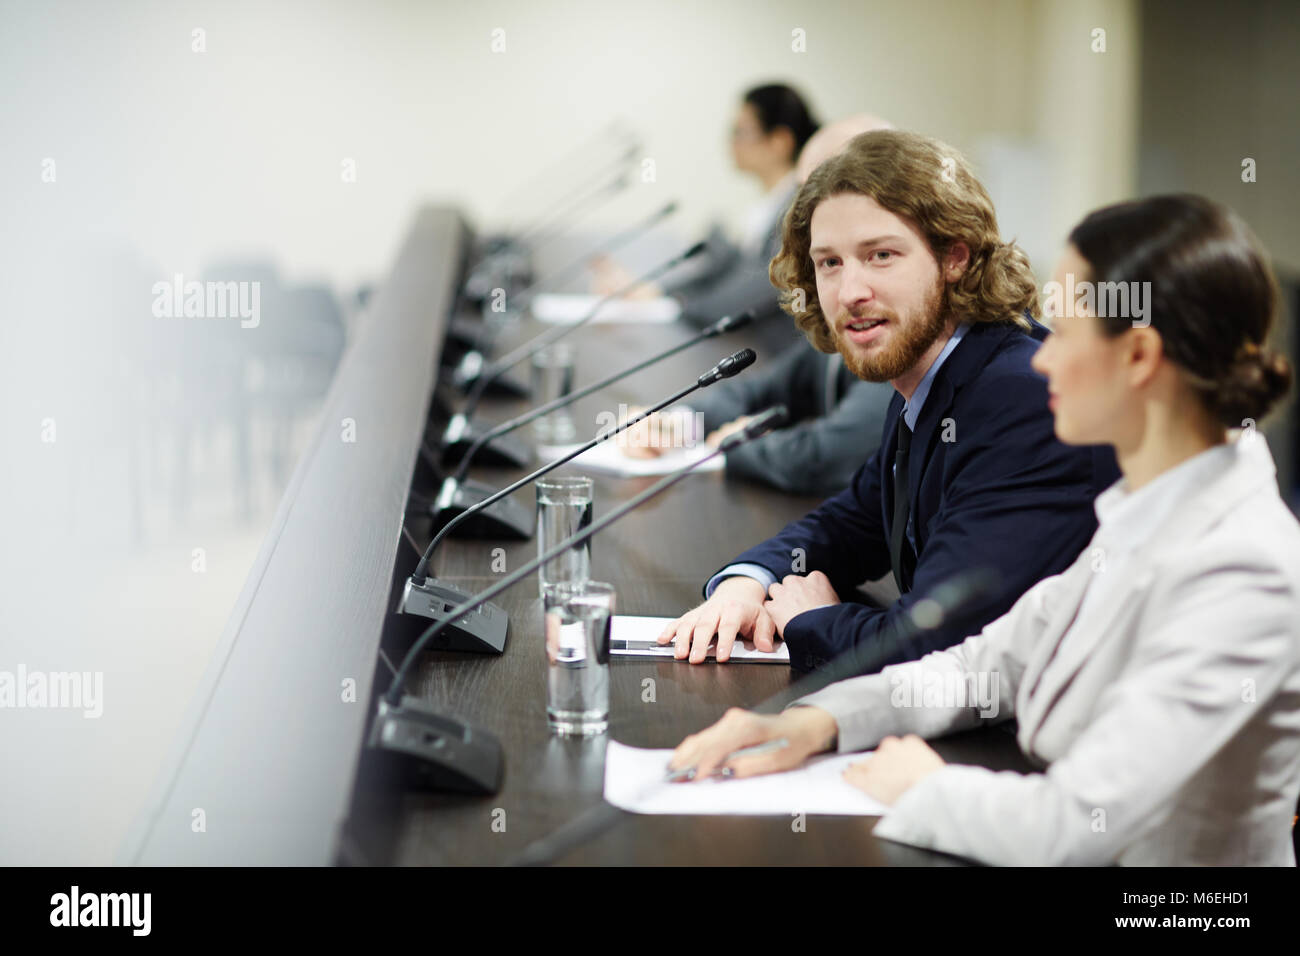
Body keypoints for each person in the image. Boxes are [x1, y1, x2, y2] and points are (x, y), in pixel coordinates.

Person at [667, 193, 1300, 866]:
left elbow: (1076, 824)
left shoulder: (1242, 567)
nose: (1044, 357)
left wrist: (927, 790)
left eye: (1068, 331)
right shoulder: (1147, 509)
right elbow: (983, 669)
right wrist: (817, 721)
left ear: (1138, 357)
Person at [657, 128, 1118, 668]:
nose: (850, 292)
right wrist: (746, 583)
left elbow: (937, 640)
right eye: (829, 263)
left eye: (880, 255)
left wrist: (810, 619)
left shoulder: (1022, 399)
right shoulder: (928, 373)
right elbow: (851, 523)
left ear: (955, 258)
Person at [617, 114, 897, 496]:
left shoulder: (894, 315)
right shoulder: (837, 303)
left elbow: (837, 453)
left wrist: (735, 450)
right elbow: (764, 391)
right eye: (804, 195)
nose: (806, 215)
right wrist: (677, 426)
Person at [591, 83, 818, 357]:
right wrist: (655, 291)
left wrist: (672, 303)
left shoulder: (798, 212)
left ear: (780, 141)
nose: (730, 142)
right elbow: (725, 276)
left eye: (741, 132)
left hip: (774, 362)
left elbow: (744, 297)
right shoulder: (768, 207)